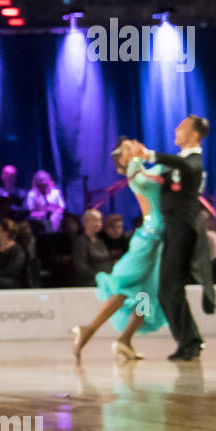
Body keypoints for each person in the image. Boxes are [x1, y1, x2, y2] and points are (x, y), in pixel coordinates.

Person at [71, 141, 168, 361]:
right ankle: (89, 329)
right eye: (127, 146)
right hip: (150, 237)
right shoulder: (136, 170)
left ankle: (125, 339)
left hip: (157, 236)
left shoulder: (142, 170)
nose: (134, 144)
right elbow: (157, 175)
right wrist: (149, 158)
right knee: (126, 286)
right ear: (124, 159)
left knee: (146, 293)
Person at [134, 116, 215, 361]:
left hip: (183, 228)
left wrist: (149, 154)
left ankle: (190, 342)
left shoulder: (193, 161)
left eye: (182, 127)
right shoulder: (180, 163)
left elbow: (185, 166)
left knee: (170, 287)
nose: (176, 130)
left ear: (194, 134)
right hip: (173, 228)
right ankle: (189, 341)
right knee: (168, 288)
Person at [72, 209, 113, 286]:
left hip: (105, 281)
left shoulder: (100, 241)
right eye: (95, 220)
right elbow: (80, 266)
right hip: (90, 283)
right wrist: (98, 276)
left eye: (100, 220)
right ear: (85, 222)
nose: (98, 223)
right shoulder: (81, 241)